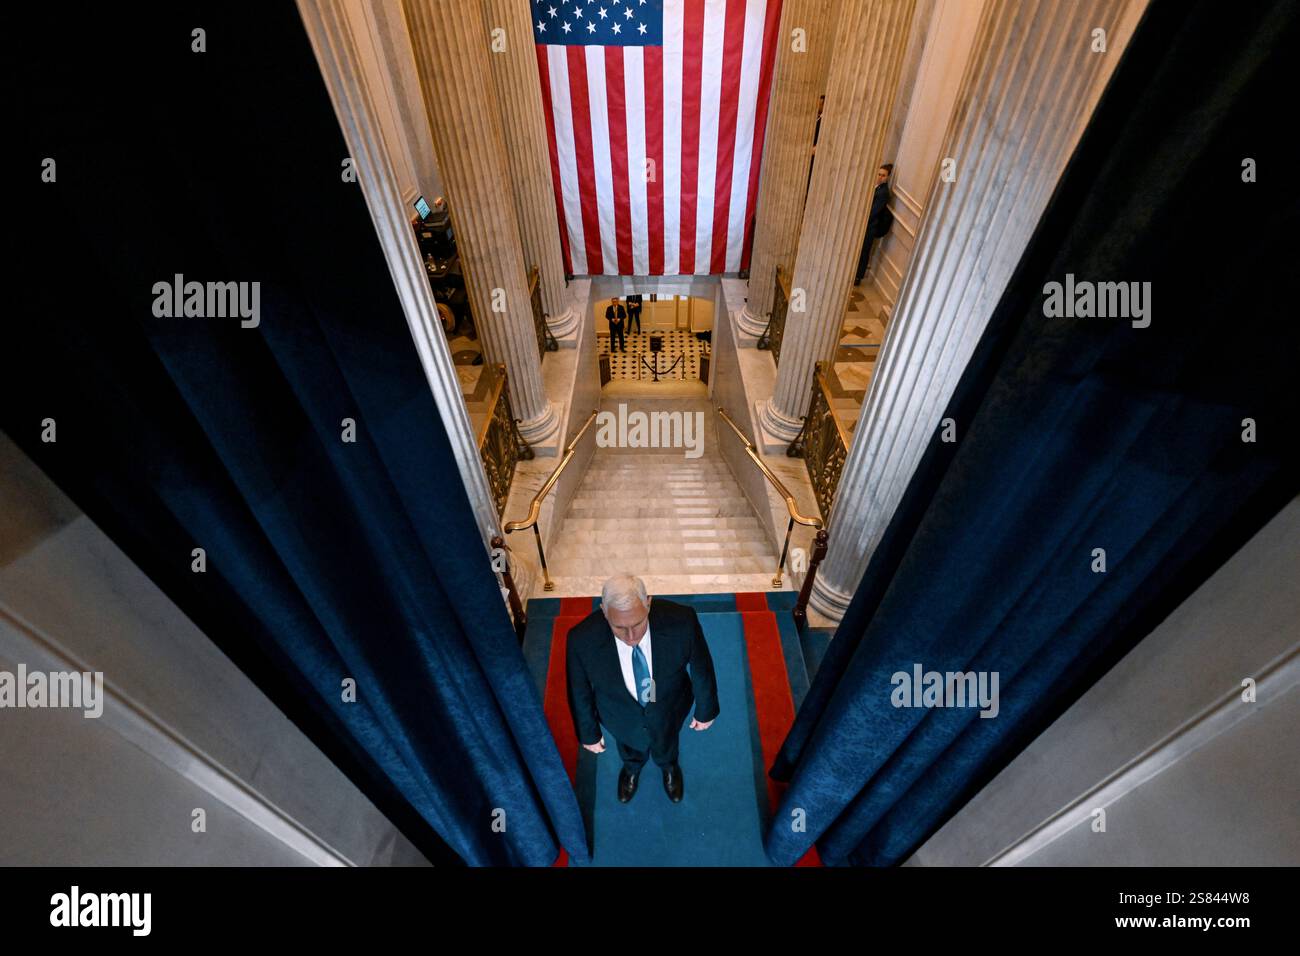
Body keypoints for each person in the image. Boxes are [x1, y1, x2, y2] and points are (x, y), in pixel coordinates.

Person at [566, 574, 718, 804]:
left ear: (648, 603)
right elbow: (579, 690)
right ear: (604, 612)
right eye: (619, 627)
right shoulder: (580, 639)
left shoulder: (683, 621)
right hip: (620, 715)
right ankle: (631, 768)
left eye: (637, 623)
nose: (631, 637)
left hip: (669, 707)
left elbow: (701, 666)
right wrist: (589, 733)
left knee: (667, 742)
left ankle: (669, 766)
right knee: (629, 745)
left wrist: (705, 709)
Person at [855, 163, 895, 284]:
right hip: (864, 225)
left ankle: (858, 277)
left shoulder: (883, 193)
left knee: (864, 252)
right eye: (878, 174)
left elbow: (873, 212)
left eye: (883, 175)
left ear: (887, 177)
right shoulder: (875, 187)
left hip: (870, 226)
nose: (880, 177)